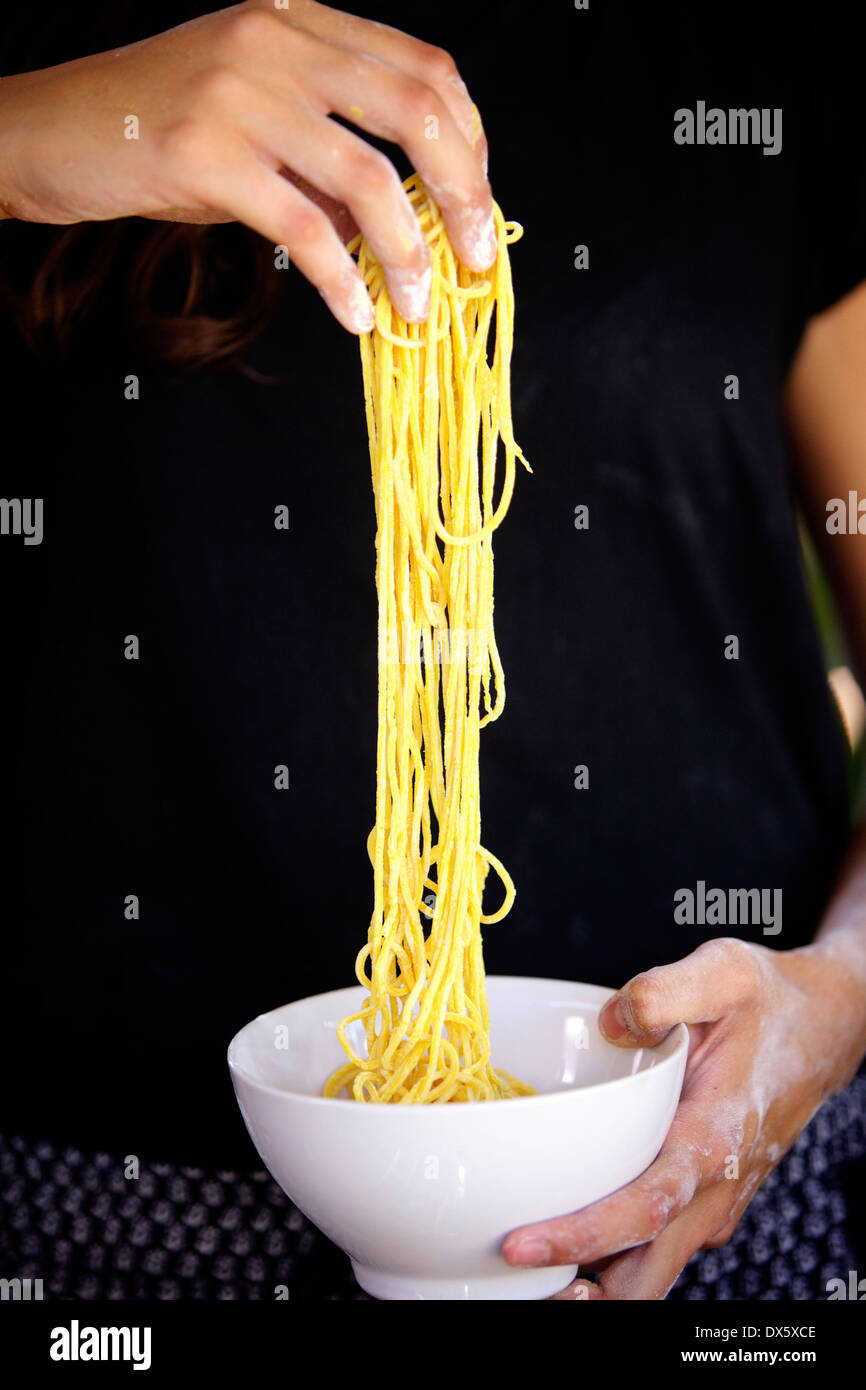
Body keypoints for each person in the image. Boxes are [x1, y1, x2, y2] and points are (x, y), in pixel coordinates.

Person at [1, 0, 864, 1302]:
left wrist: (841, 989)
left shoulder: (763, 51)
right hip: (105, 1227)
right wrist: (18, 136)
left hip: (722, 1199)